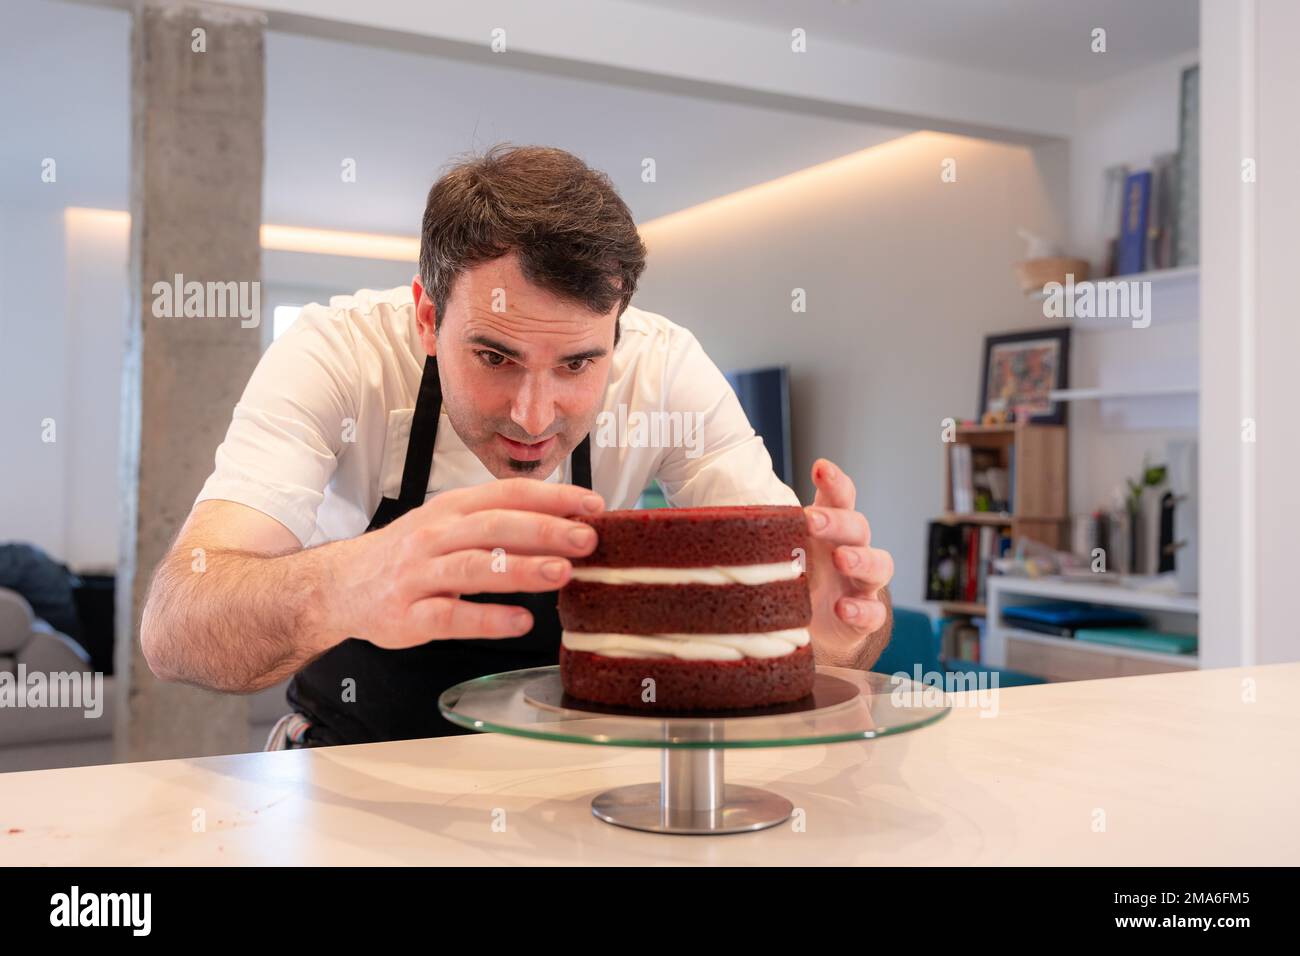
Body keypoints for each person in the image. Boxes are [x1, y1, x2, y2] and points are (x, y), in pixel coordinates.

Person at [140, 144, 894, 746]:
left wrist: (832, 634)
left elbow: (817, 620)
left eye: (578, 364)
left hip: (572, 782)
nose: (534, 417)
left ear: (618, 332)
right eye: (495, 357)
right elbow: (176, 626)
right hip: (351, 774)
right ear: (427, 319)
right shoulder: (338, 357)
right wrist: (341, 587)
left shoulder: (666, 369)